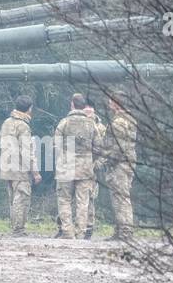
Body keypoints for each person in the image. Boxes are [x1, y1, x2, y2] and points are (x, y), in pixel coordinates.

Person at [54, 93, 98, 239]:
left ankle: (67, 231)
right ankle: (81, 233)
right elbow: (98, 147)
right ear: (84, 106)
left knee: (64, 199)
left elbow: (56, 144)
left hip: (66, 166)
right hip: (85, 168)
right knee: (83, 202)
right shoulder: (91, 124)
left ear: (72, 104)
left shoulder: (64, 123)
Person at [0, 95, 41, 235]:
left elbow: (0, 142)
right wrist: (35, 172)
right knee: (21, 198)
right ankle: (18, 229)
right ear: (29, 109)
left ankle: (15, 227)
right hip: (20, 167)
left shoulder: (6, 123)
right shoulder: (23, 126)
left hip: (6, 165)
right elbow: (27, 151)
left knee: (13, 198)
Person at [101, 91, 139, 242]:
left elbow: (118, 147)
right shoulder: (129, 119)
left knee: (121, 197)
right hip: (126, 162)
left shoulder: (118, 123)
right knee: (119, 196)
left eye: (111, 101)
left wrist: (108, 161)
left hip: (119, 164)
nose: (109, 103)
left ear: (116, 103)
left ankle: (125, 232)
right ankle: (120, 230)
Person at [83, 100, 108, 239]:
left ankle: (88, 227)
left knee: (89, 198)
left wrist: (97, 164)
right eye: (85, 107)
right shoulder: (75, 123)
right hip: (74, 167)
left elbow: (105, 149)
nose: (88, 110)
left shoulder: (101, 128)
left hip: (92, 169)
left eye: (90, 107)